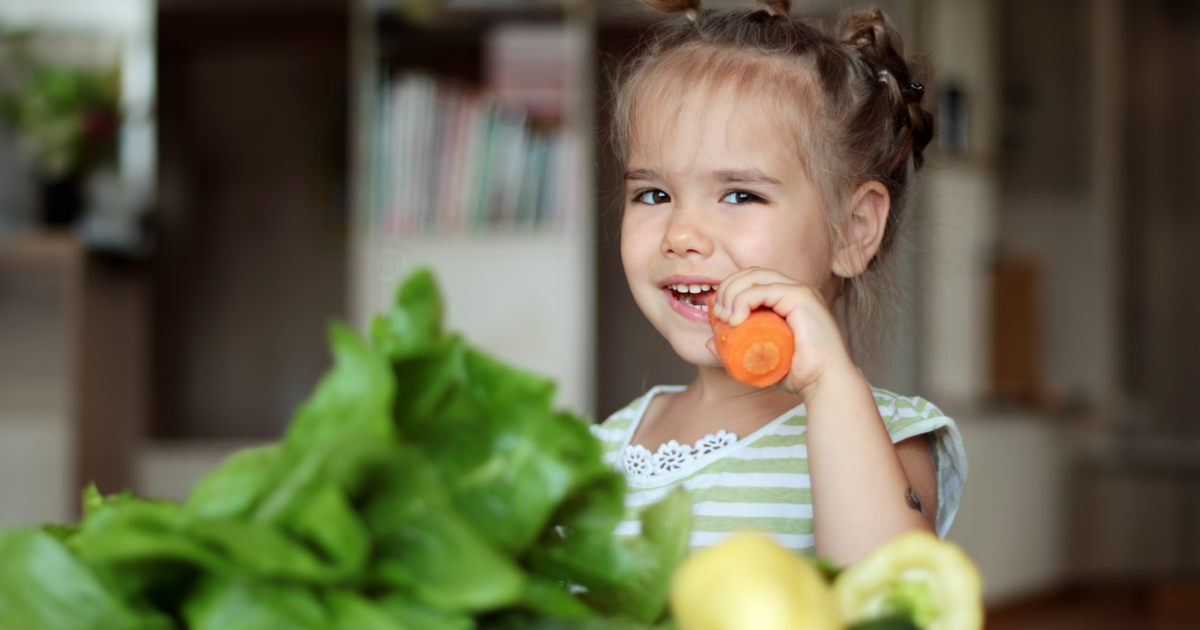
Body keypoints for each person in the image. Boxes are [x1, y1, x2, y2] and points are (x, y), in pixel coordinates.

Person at [591, 0, 968, 566]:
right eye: (654, 194)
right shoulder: (604, 446)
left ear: (853, 229)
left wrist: (829, 385)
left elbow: (892, 598)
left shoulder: (883, 436)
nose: (681, 233)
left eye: (740, 194)